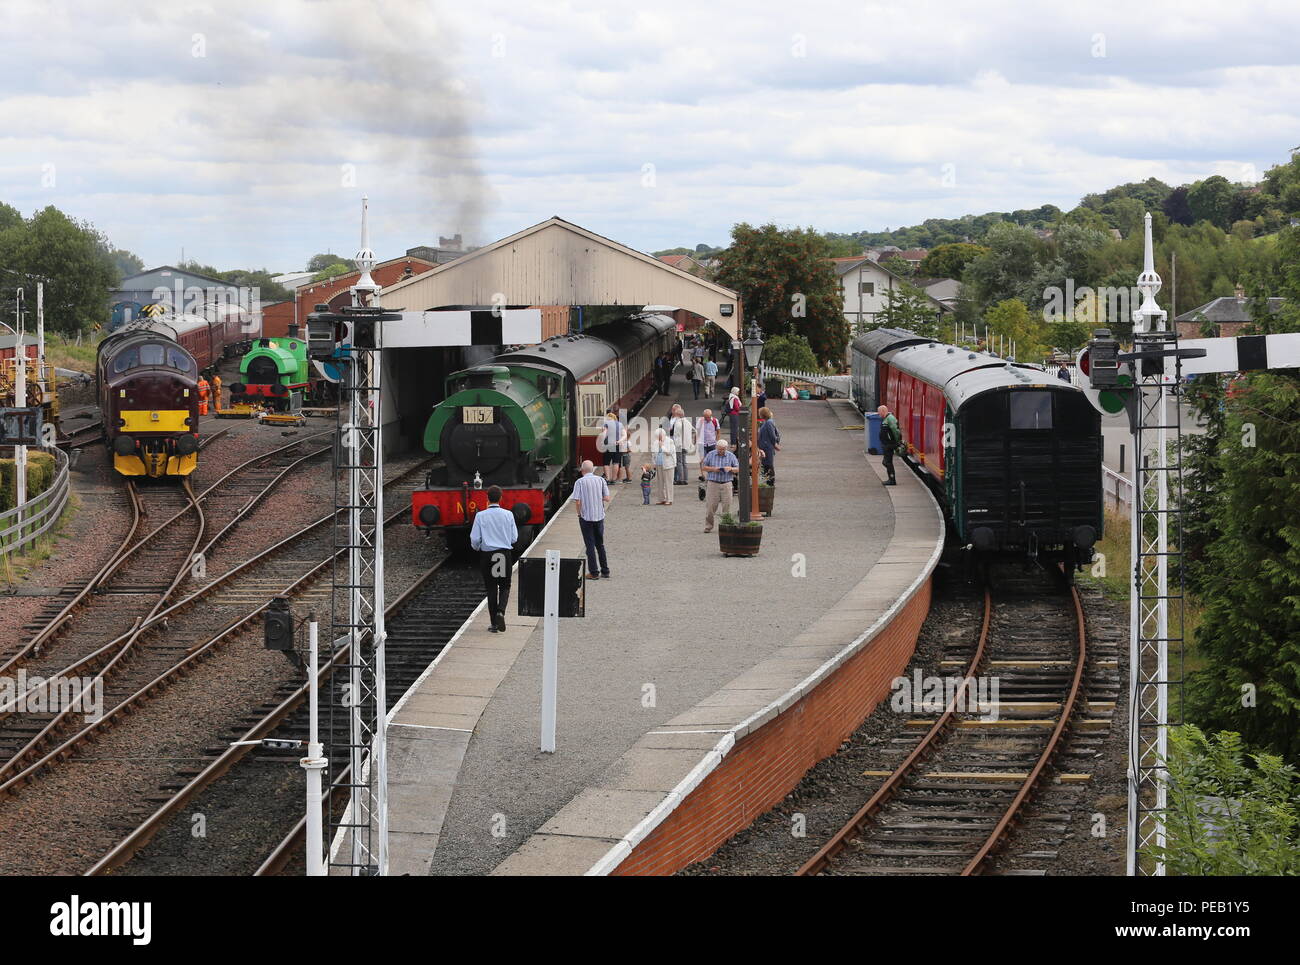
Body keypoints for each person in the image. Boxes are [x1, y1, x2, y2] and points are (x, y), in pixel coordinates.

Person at [469, 485, 518, 633]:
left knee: (491, 589)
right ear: (501, 498)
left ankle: (494, 624)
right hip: (503, 554)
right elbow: (514, 538)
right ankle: (500, 612)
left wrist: (478, 548)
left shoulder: (480, 516)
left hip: (487, 555)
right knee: (505, 586)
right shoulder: (508, 514)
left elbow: (475, 539)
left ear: (487, 498)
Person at [572, 460, 612, 579]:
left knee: (589, 545)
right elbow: (607, 498)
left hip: (586, 517)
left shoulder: (579, 482)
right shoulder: (601, 480)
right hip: (599, 516)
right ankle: (605, 570)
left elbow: (577, 501)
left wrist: (579, 514)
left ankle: (594, 572)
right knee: (600, 544)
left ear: (582, 470)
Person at [701, 438, 740, 532]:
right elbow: (704, 467)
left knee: (727, 506)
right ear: (716, 447)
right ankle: (708, 526)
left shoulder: (731, 456)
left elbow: (738, 468)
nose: (721, 451)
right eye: (719, 449)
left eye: (723, 449)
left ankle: (726, 526)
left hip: (726, 483)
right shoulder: (710, 454)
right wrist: (714, 469)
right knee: (710, 506)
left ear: (726, 448)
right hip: (713, 483)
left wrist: (730, 469)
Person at [598, 408, 626, 483]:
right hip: (617, 444)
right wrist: (620, 441)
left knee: (606, 462)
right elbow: (624, 435)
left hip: (608, 445)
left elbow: (604, 433)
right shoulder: (620, 424)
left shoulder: (606, 424)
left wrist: (601, 442)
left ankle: (607, 478)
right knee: (616, 462)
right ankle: (613, 479)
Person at [667, 404, 692, 485]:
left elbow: (676, 435)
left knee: (679, 462)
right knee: (684, 462)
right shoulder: (688, 422)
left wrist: (675, 445)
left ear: (678, 415)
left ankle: (680, 479)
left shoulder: (677, 423)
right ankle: (686, 479)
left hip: (679, 445)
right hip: (686, 444)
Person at [878, 405, 903, 486]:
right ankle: (891, 479)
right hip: (886, 444)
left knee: (887, 462)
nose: (878, 414)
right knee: (886, 462)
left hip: (890, 444)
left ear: (883, 411)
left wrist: (897, 442)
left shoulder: (890, 418)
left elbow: (896, 431)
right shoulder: (885, 419)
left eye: (879, 412)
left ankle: (892, 480)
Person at [757, 406, 781, 485]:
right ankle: (768, 481)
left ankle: (770, 482)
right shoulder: (766, 422)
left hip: (767, 447)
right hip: (765, 447)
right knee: (766, 464)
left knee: (768, 464)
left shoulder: (769, 422)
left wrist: (775, 444)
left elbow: (772, 435)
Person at [653, 427, 676, 504]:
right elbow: (653, 454)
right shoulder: (655, 442)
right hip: (659, 464)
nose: (658, 438)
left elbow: (669, 452)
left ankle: (669, 500)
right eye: (657, 437)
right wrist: (654, 463)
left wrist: (662, 446)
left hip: (668, 465)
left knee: (668, 483)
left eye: (660, 436)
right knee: (660, 483)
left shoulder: (670, 441)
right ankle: (661, 499)